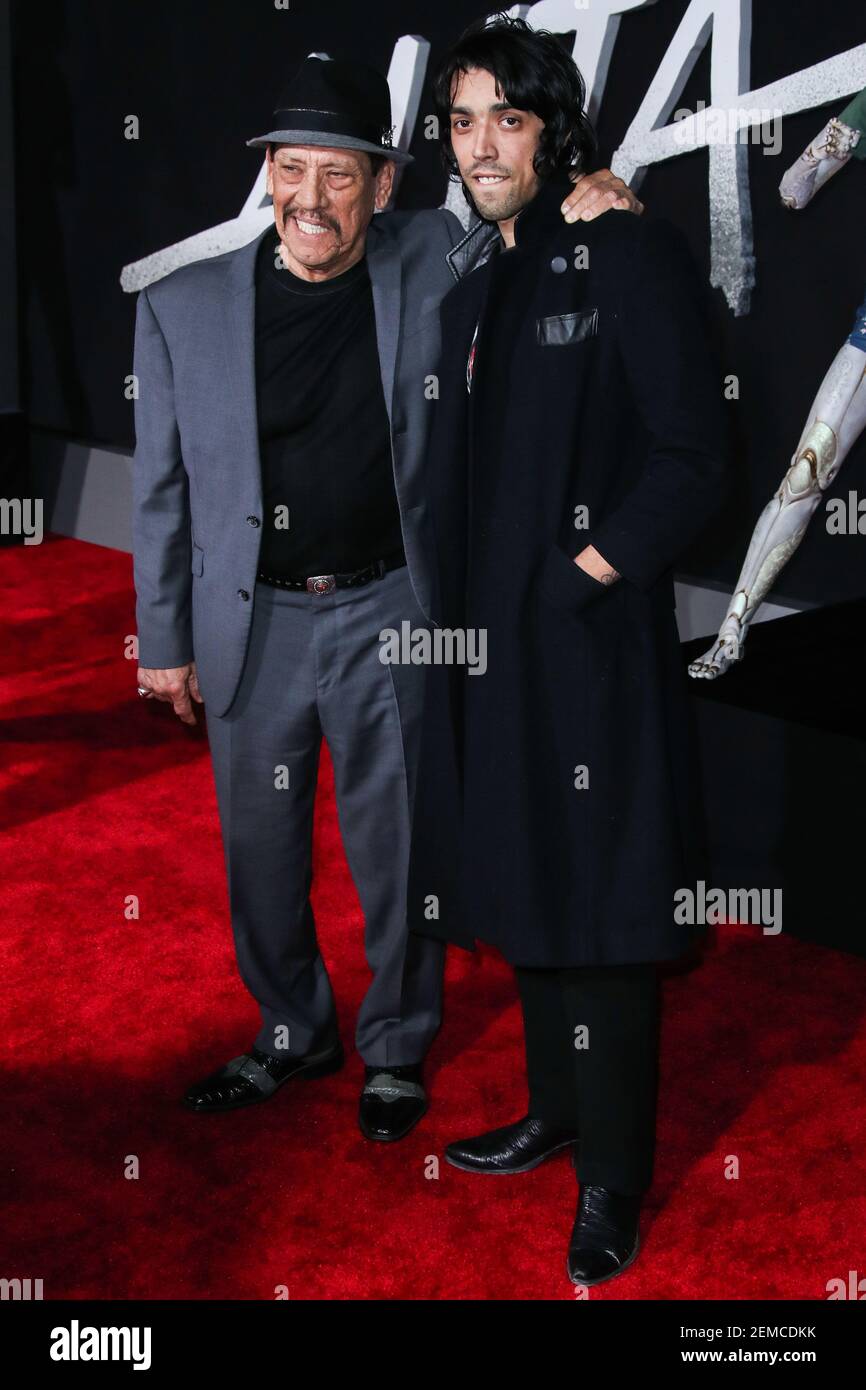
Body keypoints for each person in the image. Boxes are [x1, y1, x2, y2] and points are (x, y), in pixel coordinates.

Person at [132, 53, 640, 1141]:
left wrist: (600, 194)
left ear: (383, 184)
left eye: (339, 175)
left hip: (389, 612)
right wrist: (162, 638)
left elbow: (530, 228)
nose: (311, 200)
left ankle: (397, 1047)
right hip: (252, 617)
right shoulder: (179, 309)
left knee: (398, 848)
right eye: (292, 171)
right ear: (267, 174)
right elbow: (162, 490)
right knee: (258, 852)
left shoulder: (431, 262)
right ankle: (290, 1033)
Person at [407, 15, 729, 1280]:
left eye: (508, 118)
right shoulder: (471, 274)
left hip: (582, 647)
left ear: (552, 131)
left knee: (599, 907)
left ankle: (612, 1180)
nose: (481, 144)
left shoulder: (621, 248)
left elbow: (693, 455)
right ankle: (552, 1108)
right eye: (462, 120)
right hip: (484, 654)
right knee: (520, 875)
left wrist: (580, 578)